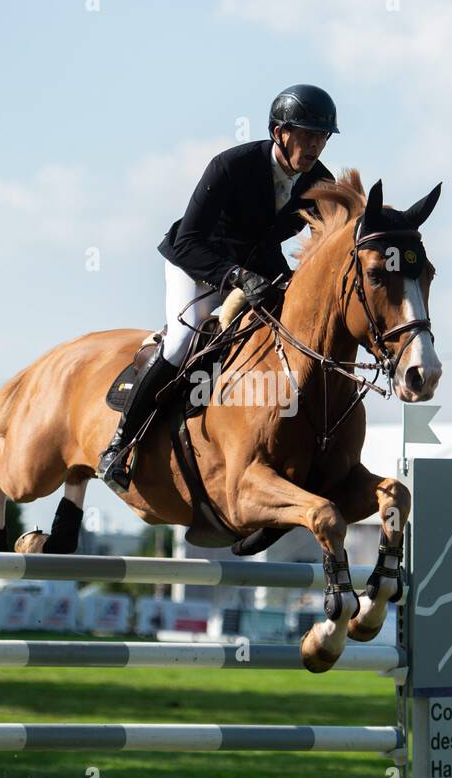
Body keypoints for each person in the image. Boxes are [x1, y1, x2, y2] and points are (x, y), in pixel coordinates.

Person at [97, 84, 339, 492]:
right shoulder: (231, 167)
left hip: (255, 269)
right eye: (307, 134)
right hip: (195, 263)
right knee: (180, 343)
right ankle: (120, 446)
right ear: (280, 132)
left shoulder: (319, 183)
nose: (315, 145)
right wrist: (238, 277)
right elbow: (190, 240)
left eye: (322, 136)